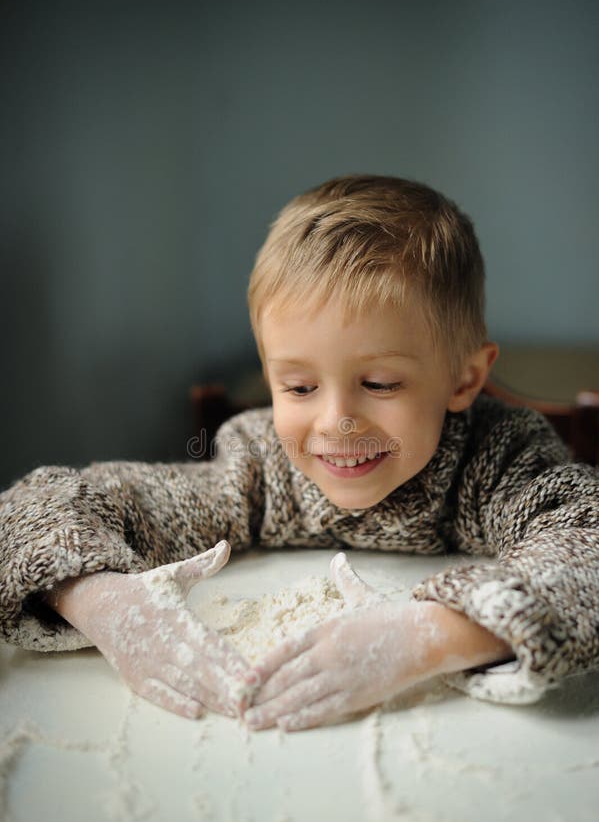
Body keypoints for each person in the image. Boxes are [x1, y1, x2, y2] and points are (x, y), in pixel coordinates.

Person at [1, 175, 597, 731]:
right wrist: (104, 604)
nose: (336, 421)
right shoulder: (260, 467)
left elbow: (587, 548)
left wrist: (433, 636)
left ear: (464, 380)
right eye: (300, 387)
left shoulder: (500, 459)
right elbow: (32, 510)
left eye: (381, 383)